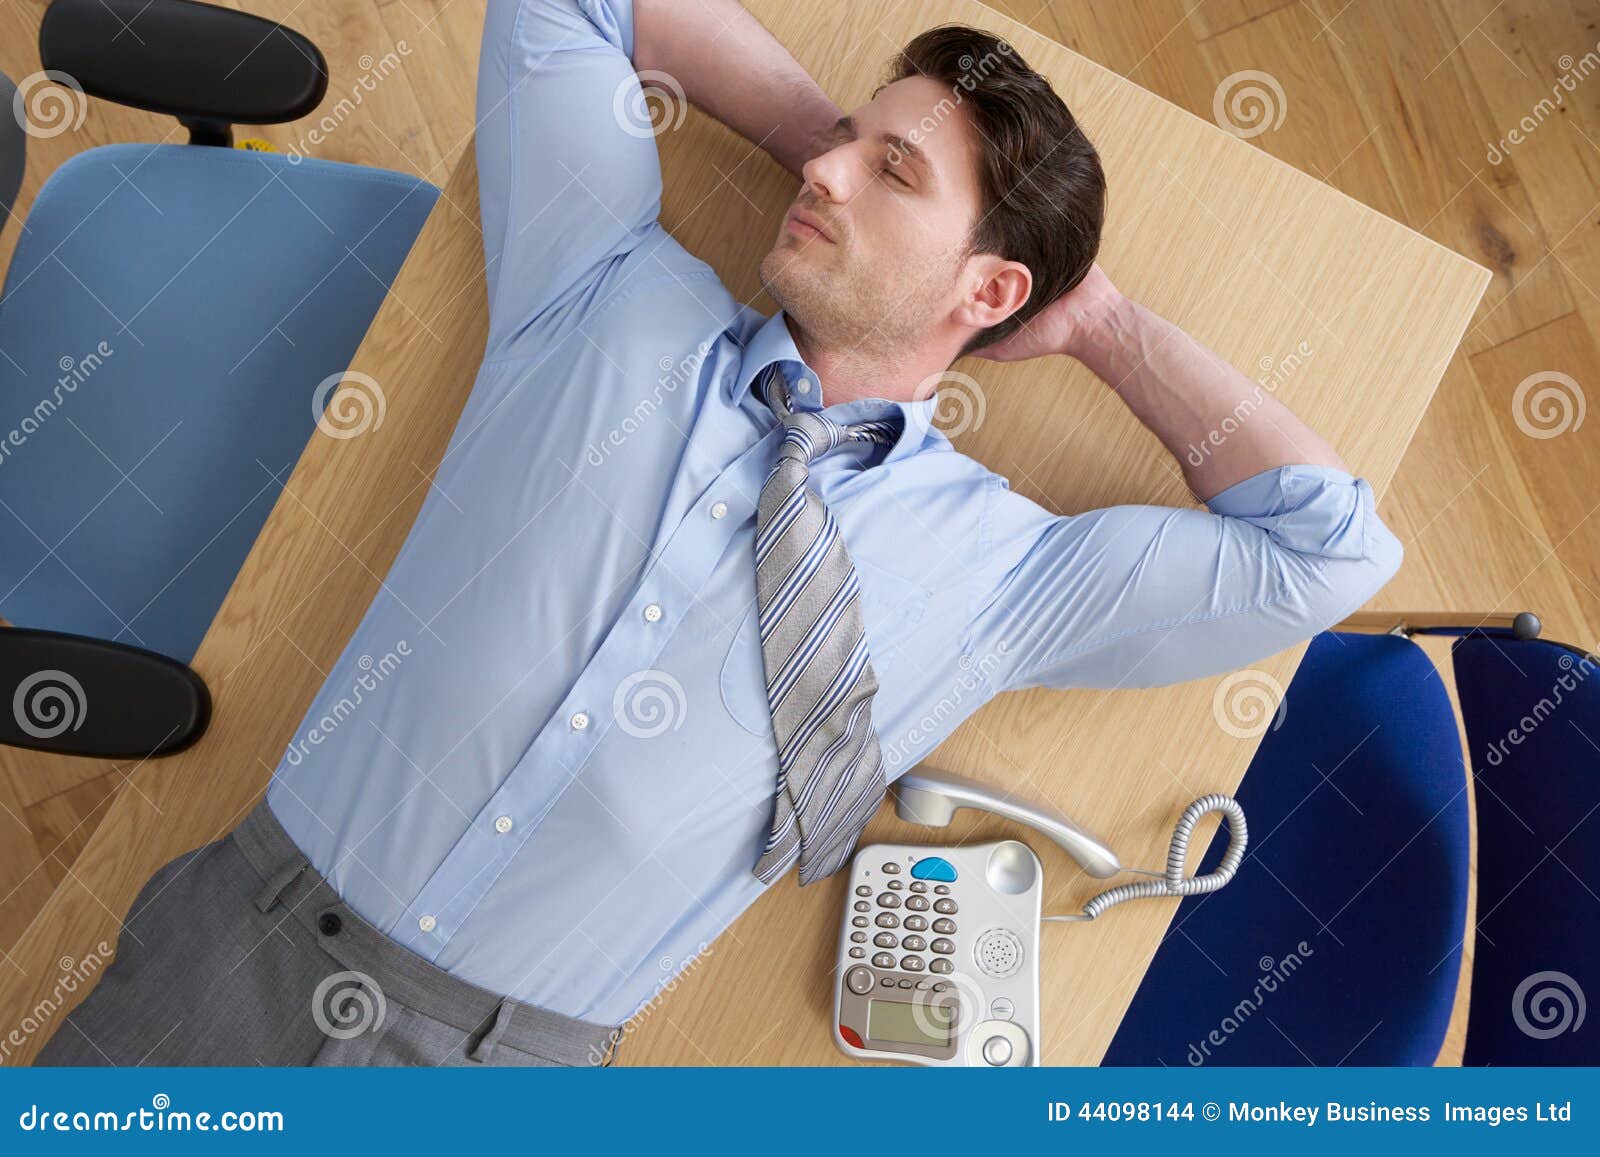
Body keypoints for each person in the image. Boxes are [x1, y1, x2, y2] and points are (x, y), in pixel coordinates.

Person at [38, 0, 1399, 1067]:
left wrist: (1096, 321)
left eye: (892, 168)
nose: (824, 166)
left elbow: (1327, 549)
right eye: (845, 140)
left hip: (510, 1064)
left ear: (989, 284)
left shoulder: (1006, 573)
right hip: (246, 942)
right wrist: (835, 156)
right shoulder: (607, 289)